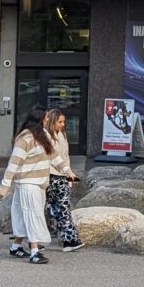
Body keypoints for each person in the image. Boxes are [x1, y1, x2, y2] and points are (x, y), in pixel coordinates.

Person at [0, 107, 56, 263]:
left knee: (22, 215)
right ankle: (35, 251)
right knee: (33, 215)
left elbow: (54, 157)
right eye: (46, 117)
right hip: (28, 184)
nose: (48, 120)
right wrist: (4, 187)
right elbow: (13, 164)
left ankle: (16, 247)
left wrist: (67, 171)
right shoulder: (25, 139)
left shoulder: (43, 135)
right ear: (41, 118)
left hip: (39, 183)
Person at [44, 108, 83, 252]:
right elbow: (53, 157)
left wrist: (69, 175)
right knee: (43, 209)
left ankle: (70, 240)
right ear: (52, 121)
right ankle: (37, 241)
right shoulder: (45, 135)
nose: (63, 124)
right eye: (60, 122)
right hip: (48, 176)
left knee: (64, 208)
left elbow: (65, 156)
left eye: (64, 122)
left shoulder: (62, 135)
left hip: (61, 176)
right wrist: (68, 172)